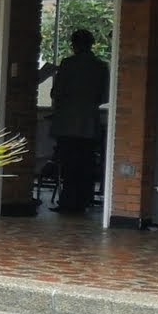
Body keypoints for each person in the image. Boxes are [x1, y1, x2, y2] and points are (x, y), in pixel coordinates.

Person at [47, 28, 108, 214]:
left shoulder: (67, 64)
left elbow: (55, 93)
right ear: (91, 44)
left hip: (67, 125)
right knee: (87, 164)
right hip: (90, 124)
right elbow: (105, 96)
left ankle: (67, 203)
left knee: (68, 165)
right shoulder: (101, 66)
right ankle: (84, 201)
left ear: (74, 44)